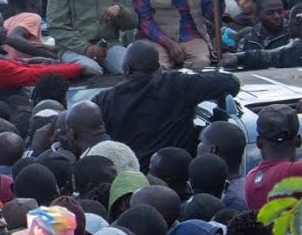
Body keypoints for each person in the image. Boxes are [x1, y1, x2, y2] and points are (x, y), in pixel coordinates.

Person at [93, 41, 238, 168]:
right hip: (178, 177)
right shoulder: (179, 84)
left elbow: (83, 126)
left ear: (127, 69)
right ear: (158, 66)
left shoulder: (105, 100)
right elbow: (231, 82)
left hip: (132, 179)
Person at [0, 9, 88, 95]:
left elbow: (23, 66)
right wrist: (77, 68)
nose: (5, 30)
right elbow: (34, 75)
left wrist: (44, 63)